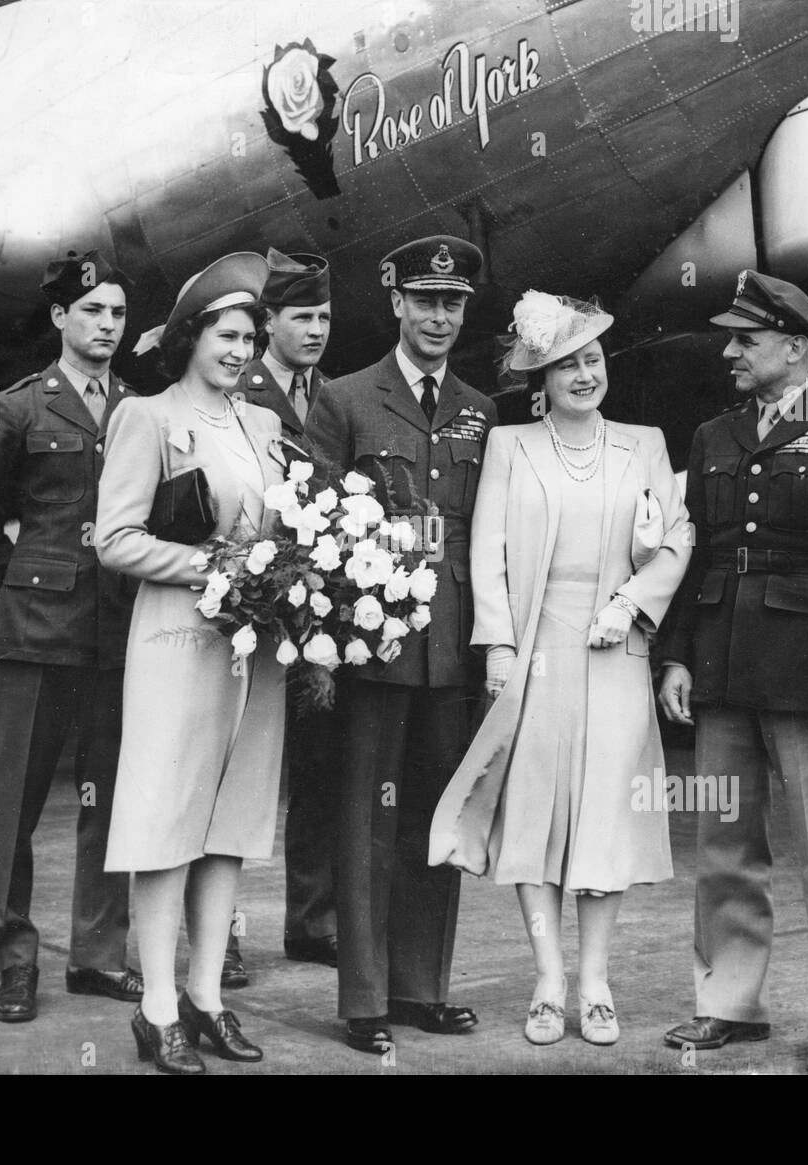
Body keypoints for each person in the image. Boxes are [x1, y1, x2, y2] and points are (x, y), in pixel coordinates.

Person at [656, 271, 808, 1076]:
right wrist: (678, 655)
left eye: (747, 339)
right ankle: (729, 1001)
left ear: (795, 347)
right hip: (725, 667)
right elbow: (699, 558)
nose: (730, 351)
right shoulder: (713, 436)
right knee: (724, 843)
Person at [429, 292, 691, 1046]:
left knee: (606, 811)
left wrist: (635, 604)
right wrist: (501, 647)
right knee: (537, 817)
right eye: (566, 363)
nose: (584, 374)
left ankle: (597, 979)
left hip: (617, 650)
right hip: (537, 649)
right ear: (538, 378)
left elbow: (677, 537)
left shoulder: (645, 442)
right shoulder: (512, 445)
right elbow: (488, 551)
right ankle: (548, 977)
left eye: (593, 359)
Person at [305, 234, 497, 1054]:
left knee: (435, 814)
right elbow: (311, 527)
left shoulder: (481, 409)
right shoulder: (345, 399)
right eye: (426, 300)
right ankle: (364, 998)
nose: (440, 316)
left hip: (451, 644)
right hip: (372, 647)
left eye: (453, 303)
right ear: (396, 303)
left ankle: (423, 987)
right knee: (366, 819)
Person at [95, 252, 285, 1075]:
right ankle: (158, 1005)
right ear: (191, 336)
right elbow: (115, 538)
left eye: (250, 336)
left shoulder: (264, 426)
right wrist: (214, 570)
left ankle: (208, 997)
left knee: (229, 823)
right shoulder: (147, 416)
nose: (240, 350)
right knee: (165, 820)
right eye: (226, 334)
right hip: (178, 636)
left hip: (255, 651)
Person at [0, 250, 141, 1023]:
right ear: (60, 317)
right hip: (33, 638)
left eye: (118, 313)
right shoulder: (20, 406)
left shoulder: (139, 407)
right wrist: (30, 585)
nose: (106, 325)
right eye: (92, 310)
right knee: (12, 807)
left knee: (113, 801)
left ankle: (97, 956)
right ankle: (12, 956)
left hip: (116, 637)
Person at [227, 248, 341, 981]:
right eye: (302, 316)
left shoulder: (332, 391)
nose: (316, 330)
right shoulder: (241, 385)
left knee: (322, 769)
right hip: (250, 606)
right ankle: (226, 931)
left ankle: (312, 921)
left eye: (325, 317)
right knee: (239, 772)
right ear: (267, 322)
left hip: (319, 612)